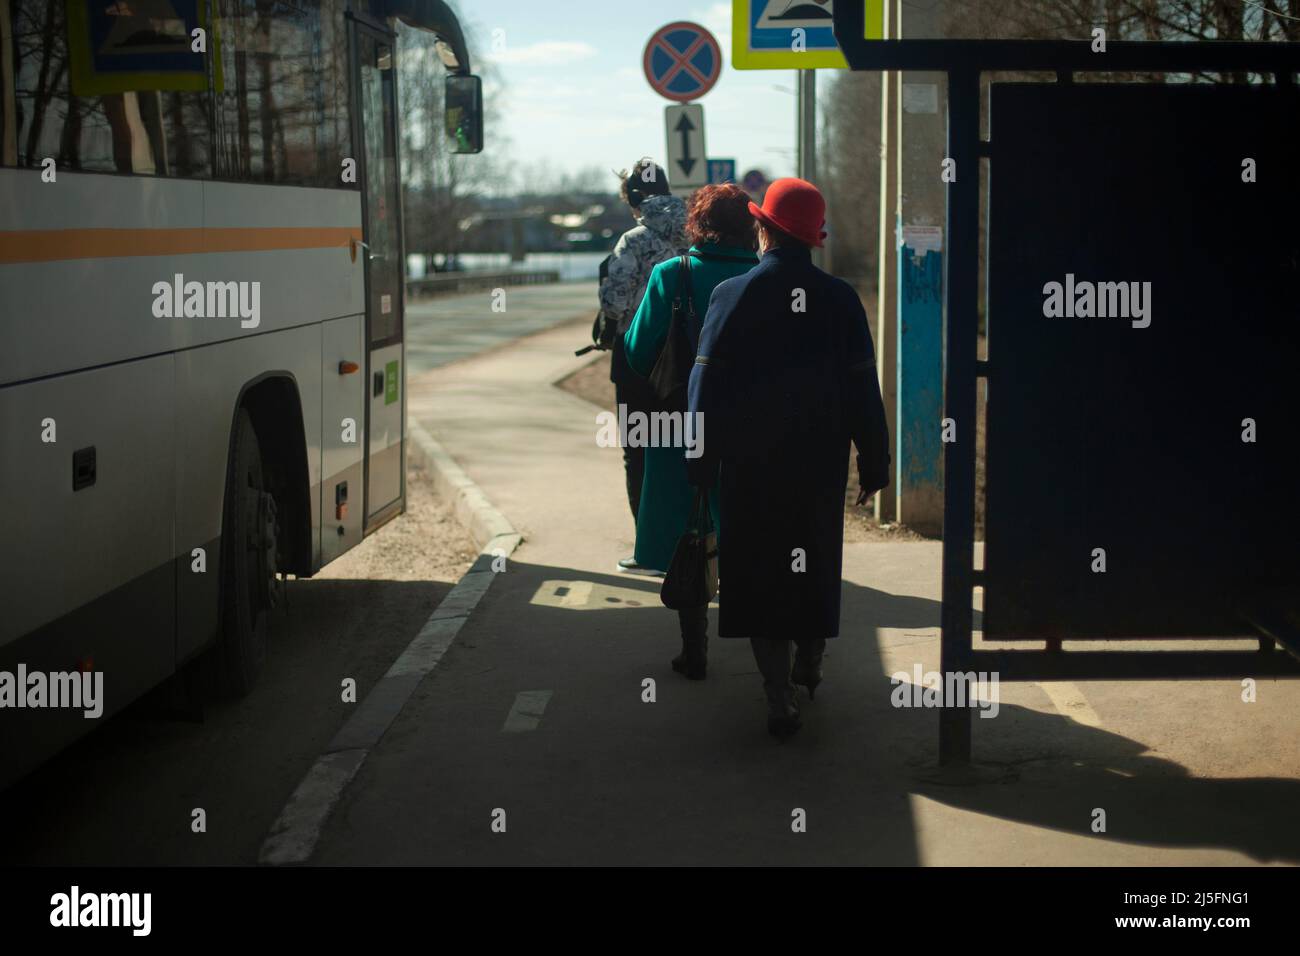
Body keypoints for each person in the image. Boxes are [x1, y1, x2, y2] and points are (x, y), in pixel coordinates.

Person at [686, 178, 891, 737]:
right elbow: (861, 391)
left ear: (763, 228)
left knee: (758, 575)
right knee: (812, 562)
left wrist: (699, 460)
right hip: (817, 467)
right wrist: (875, 464)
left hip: (750, 470)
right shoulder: (841, 299)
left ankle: (779, 696)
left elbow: (704, 386)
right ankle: (812, 661)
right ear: (814, 237)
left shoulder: (731, 294)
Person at [623, 184, 759, 679]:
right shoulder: (760, 276)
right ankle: (763, 653)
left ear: (697, 225)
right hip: (751, 427)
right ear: (751, 226)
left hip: (680, 424)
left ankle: (694, 647)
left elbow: (639, 354)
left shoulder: (671, 275)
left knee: (689, 533)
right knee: (744, 529)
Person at [598, 159, 687, 573]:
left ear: (634, 200)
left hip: (637, 359)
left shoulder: (633, 241)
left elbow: (615, 301)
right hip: (688, 357)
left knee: (639, 452)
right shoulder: (698, 233)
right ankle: (694, 542)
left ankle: (650, 550)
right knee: (688, 447)